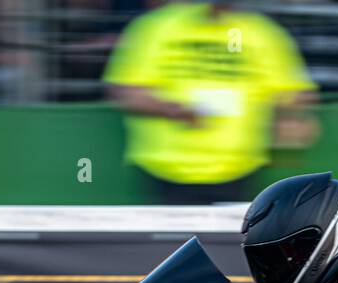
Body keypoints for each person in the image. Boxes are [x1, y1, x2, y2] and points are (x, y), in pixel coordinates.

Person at [103, 1, 318, 204]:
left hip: (239, 169)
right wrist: (175, 110)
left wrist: (292, 116)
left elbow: (292, 91)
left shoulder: (262, 33)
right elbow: (126, 91)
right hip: (165, 170)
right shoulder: (156, 27)